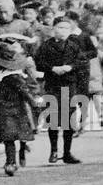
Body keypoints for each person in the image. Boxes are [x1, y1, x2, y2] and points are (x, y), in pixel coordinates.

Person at [0, 34, 43, 175]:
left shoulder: (18, 72)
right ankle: (11, 161)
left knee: (17, 136)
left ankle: (18, 153)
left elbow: (27, 89)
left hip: (17, 107)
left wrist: (34, 102)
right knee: (8, 136)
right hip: (3, 108)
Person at [34, 15, 90, 163]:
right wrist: (53, 68)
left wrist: (70, 67)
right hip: (52, 85)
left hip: (69, 85)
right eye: (60, 27)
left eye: (66, 28)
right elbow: (38, 62)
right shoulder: (46, 46)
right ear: (53, 29)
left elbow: (83, 61)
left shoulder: (74, 46)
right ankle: (53, 151)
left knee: (69, 119)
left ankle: (67, 153)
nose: (63, 31)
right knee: (53, 118)